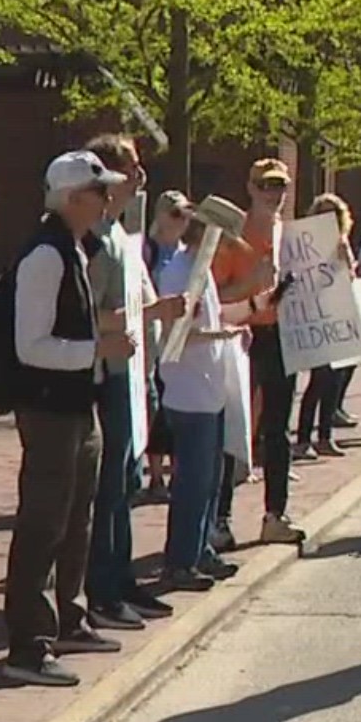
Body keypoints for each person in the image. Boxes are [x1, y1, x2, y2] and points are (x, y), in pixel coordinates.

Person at [0, 150, 137, 687]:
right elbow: (30, 346)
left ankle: (69, 620)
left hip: (77, 404)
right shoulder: (45, 255)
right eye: (99, 192)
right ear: (73, 198)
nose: (107, 200)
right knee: (43, 523)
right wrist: (97, 349)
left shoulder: (74, 249)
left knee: (77, 516)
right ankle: (28, 644)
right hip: (49, 408)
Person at [81, 135, 188, 632]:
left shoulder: (123, 235)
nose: (141, 177)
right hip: (109, 379)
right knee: (109, 489)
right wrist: (152, 312)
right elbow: (89, 314)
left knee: (127, 483)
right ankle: (102, 590)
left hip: (137, 376)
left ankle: (121, 581)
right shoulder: (94, 240)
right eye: (132, 169)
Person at [211, 159, 306, 548]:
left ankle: (275, 515)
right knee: (235, 428)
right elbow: (214, 298)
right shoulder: (234, 235)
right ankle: (220, 519)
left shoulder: (293, 235)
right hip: (244, 338)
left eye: (280, 186)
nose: (274, 194)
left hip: (283, 336)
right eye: (266, 186)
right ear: (250, 188)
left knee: (278, 429)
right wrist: (252, 283)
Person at [153, 198, 247, 590]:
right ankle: (181, 561)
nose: (224, 248)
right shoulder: (179, 272)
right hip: (188, 391)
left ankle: (201, 549)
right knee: (192, 481)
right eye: (222, 239)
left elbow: (210, 317)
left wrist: (235, 322)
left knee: (209, 478)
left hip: (210, 388)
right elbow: (175, 336)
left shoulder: (200, 271)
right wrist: (220, 335)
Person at [292, 193, 361, 461]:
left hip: (338, 317)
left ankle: (325, 436)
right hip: (317, 319)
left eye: (333, 215)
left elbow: (349, 276)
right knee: (318, 381)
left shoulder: (342, 242)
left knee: (334, 381)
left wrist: (347, 262)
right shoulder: (307, 244)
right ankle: (303, 439)